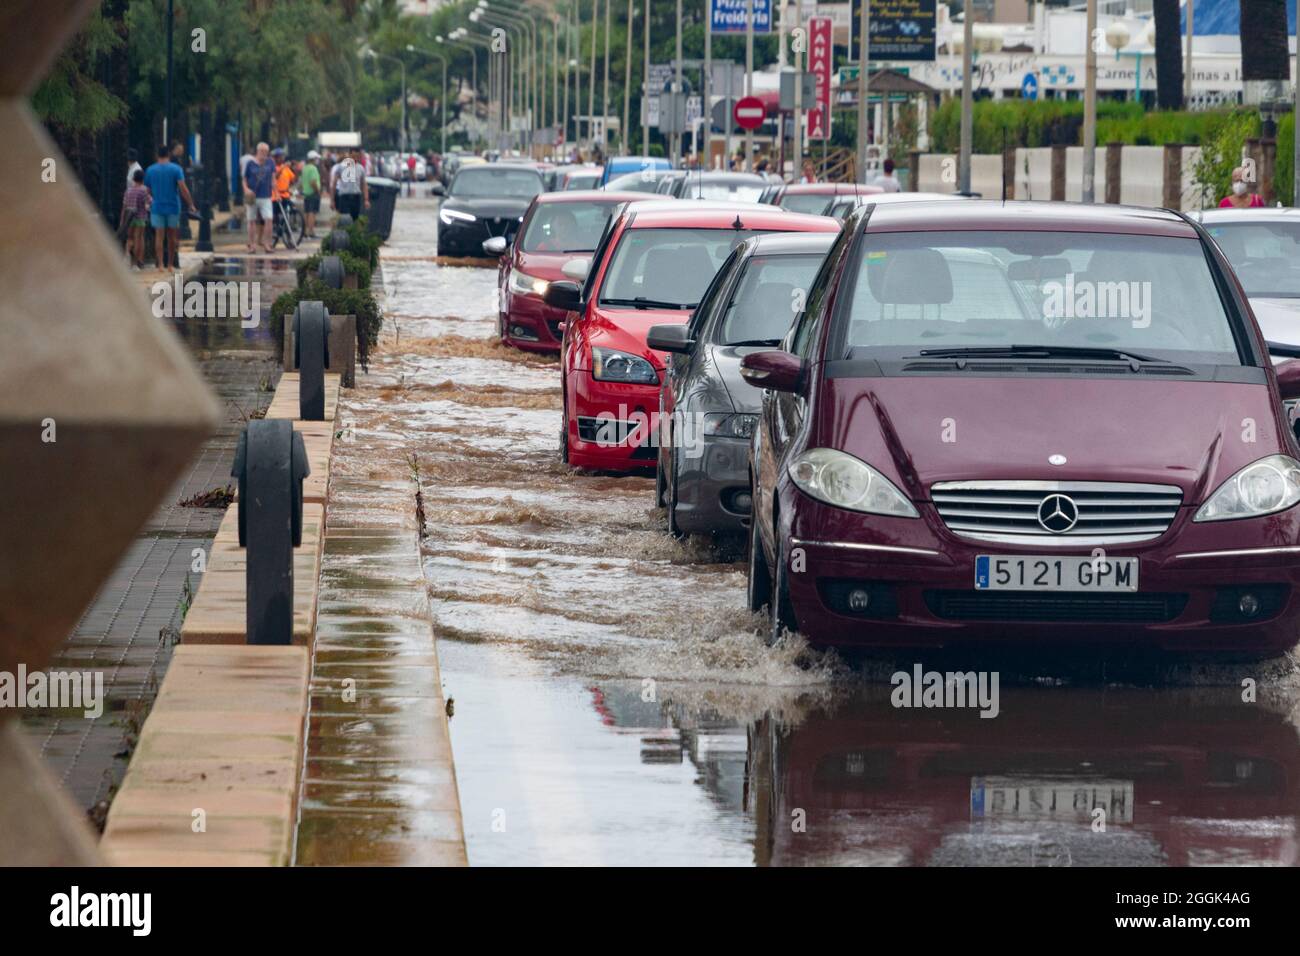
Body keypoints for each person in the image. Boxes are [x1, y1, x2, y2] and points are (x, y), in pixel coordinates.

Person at [143, 144, 196, 270]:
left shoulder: (150, 170)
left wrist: (147, 203)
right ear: (168, 155)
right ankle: (170, 264)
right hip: (173, 207)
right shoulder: (176, 169)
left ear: (157, 155)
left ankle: (160, 264)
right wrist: (191, 204)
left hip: (157, 207)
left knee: (159, 237)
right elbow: (183, 188)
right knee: (172, 237)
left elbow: (147, 190)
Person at [243, 141, 276, 253]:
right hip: (253, 196)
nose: (264, 153)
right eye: (262, 151)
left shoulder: (270, 163)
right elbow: (244, 179)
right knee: (251, 220)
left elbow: (273, 179)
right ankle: (252, 245)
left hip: (266, 195)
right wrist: (246, 190)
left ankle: (267, 244)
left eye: (266, 151)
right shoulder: (250, 164)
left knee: (269, 219)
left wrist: (276, 192)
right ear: (257, 151)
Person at [119, 167, 150, 270]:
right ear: (142, 179)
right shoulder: (144, 190)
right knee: (138, 239)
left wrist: (122, 219)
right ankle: (134, 264)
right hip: (140, 218)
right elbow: (148, 203)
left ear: (133, 178)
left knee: (130, 239)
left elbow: (124, 206)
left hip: (129, 218)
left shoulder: (128, 190)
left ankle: (127, 258)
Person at [330, 147, 369, 221]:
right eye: (353, 157)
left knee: (355, 220)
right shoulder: (341, 167)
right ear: (350, 155)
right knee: (344, 220)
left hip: (356, 197)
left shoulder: (360, 168)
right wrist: (332, 200)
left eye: (357, 157)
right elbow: (334, 184)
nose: (355, 159)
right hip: (344, 197)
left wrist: (366, 199)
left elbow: (364, 184)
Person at [272, 147, 296, 241]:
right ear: (276, 158)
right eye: (280, 157)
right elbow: (276, 176)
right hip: (275, 196)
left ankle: (287, 232)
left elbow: (293, 179)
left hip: (285, 195)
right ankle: (275, 229)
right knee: (275, 214)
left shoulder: (286, 168)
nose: (282, 159)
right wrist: (283, 167)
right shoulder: (274, 167)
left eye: (283, 157)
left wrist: (295, 169)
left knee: (287, 214)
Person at [301, 150, 323, 238]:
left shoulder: (305, 168)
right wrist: (318, 191)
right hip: (313, 193)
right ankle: (311, 231)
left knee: (306, 212)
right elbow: (313, 182)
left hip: (306, 193)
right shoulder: (313, 168)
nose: (317, 160)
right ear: (313, 159)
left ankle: (306, 231)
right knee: (312, 213)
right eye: (317, 158)